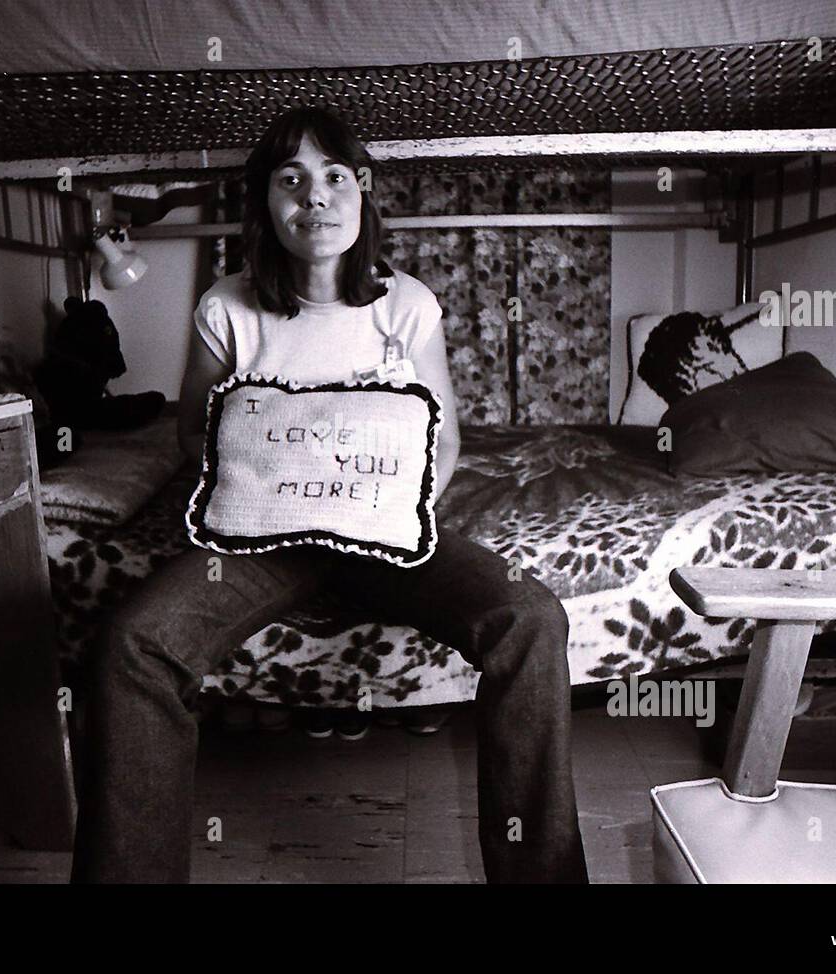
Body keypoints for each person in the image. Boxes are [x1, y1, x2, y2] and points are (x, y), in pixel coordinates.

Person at [70, 107, 587, 884]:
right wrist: (260, 489)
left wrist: (398, 509)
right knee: (131, 644)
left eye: (334, 177)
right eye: (290, 180)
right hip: (261, 546)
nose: (314, 197)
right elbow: (192, 435)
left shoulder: (405, 304)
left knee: (532, 616)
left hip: (385, 539)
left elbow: (442, 435)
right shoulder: (226, 307)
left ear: (361, 192)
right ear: (266, 204)